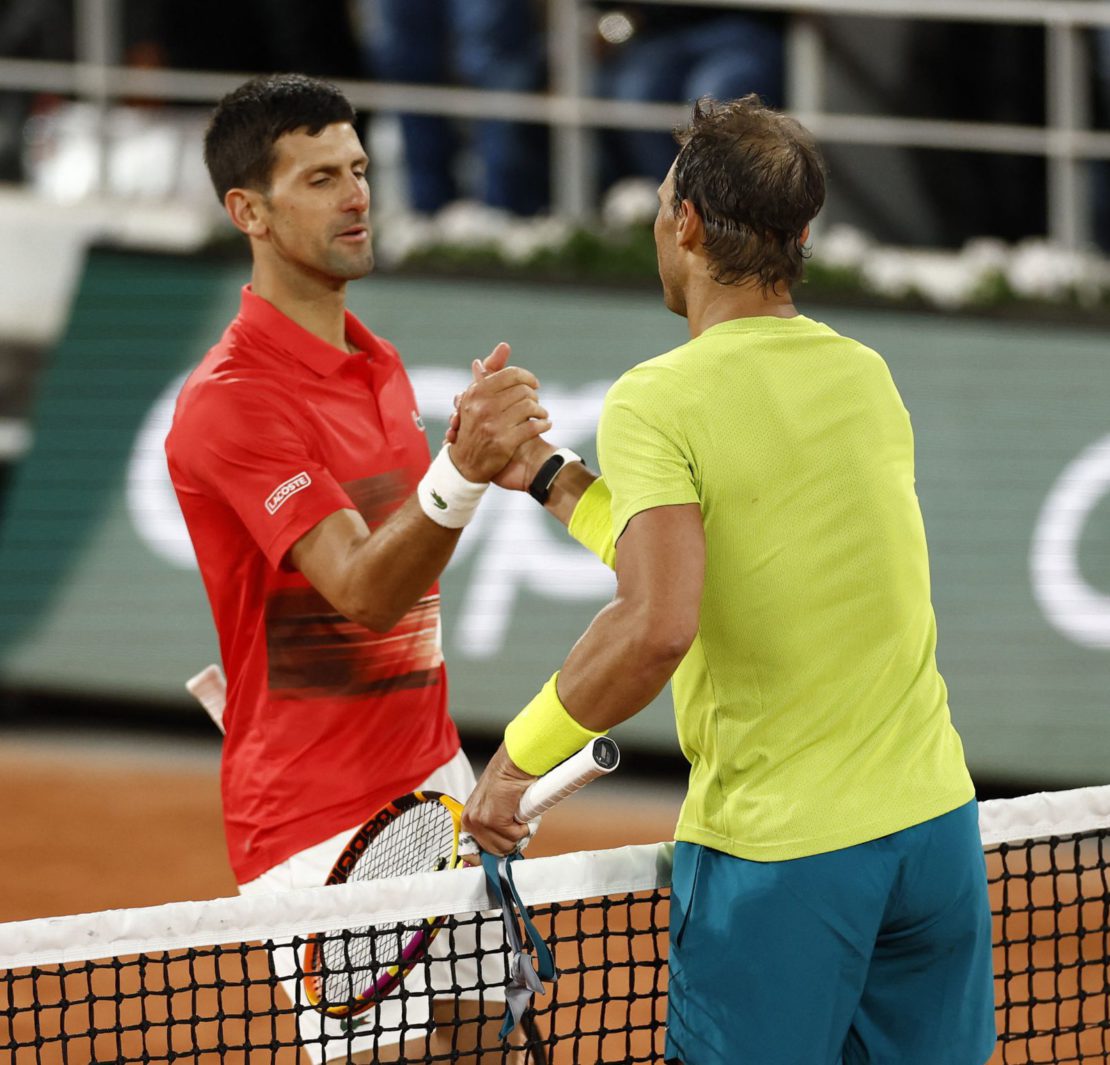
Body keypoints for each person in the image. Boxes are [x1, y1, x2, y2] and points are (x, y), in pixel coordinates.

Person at [461, 95, 997, 1065]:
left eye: (666, 206)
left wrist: (515, 762)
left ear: (690, 226)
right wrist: (546, 477)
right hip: (935, 841)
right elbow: (719, 558)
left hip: (783, 863)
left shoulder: (661, 397)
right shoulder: (866, 376)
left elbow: (658, 622)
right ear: (797, 235)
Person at [164, 73, 548, 1064]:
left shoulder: (376, 365)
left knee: (487, 1050)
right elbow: (368, 592)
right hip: (316, 829)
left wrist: (490, 474)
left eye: (362, 171)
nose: (357, 197)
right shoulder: (233, 401)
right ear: (247, 210)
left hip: (434, 785)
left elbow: (403, 570)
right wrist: (459, 471)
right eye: (322, 178)